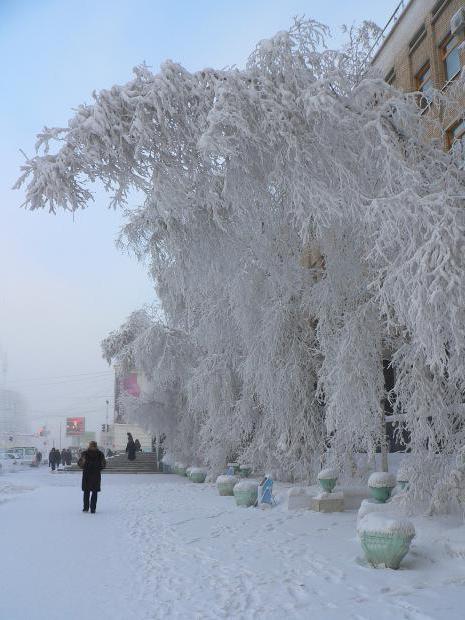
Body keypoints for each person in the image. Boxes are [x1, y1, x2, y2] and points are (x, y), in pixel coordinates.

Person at [78, 441, 106, 513]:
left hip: (87, 475)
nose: (93, 447)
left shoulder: (85, 454)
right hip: (95, 475)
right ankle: (92, 508)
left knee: (87, 492)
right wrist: (98, 467)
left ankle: (86, 508)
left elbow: (80, 464)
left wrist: (85, 464)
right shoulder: (100, 454)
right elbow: (103, 465)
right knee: (94, 492)